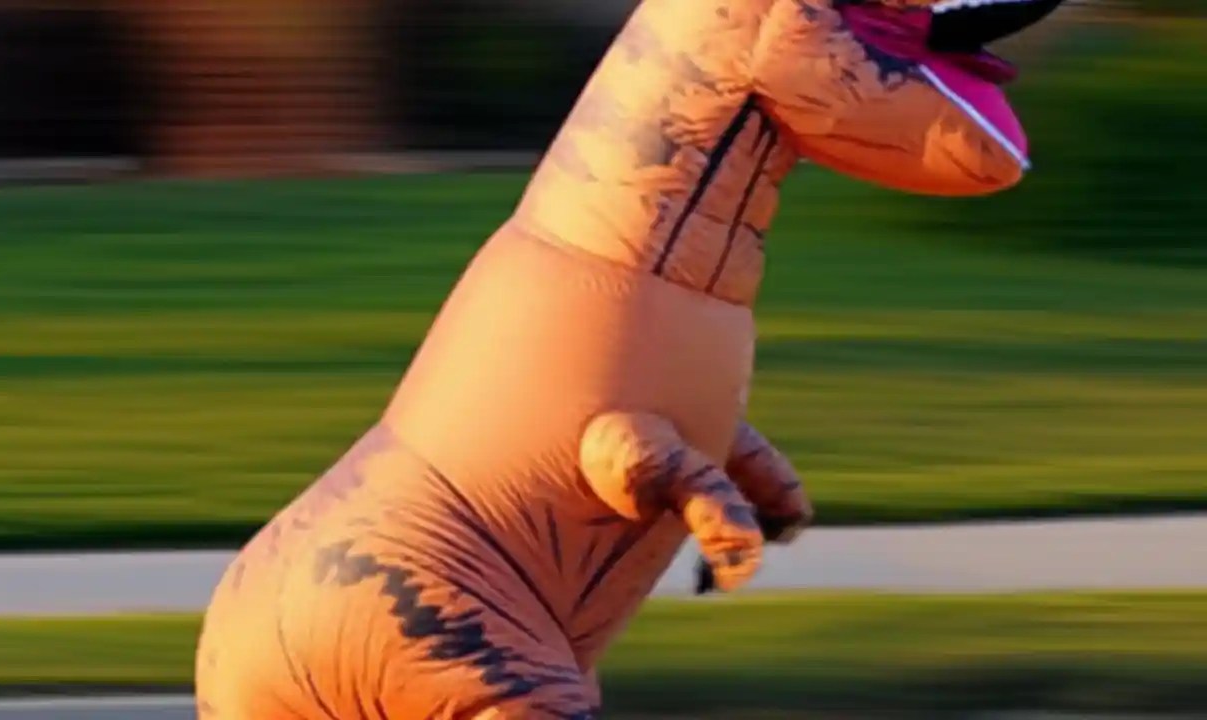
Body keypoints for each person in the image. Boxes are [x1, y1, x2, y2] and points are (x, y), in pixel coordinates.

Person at [195, 0, 1066, 717]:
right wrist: (706, 492)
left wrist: (742, 471)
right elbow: (605, 437)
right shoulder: (599, 276)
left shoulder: (665, 284)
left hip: (307, 602)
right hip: (398, 591)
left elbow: (662, 409)